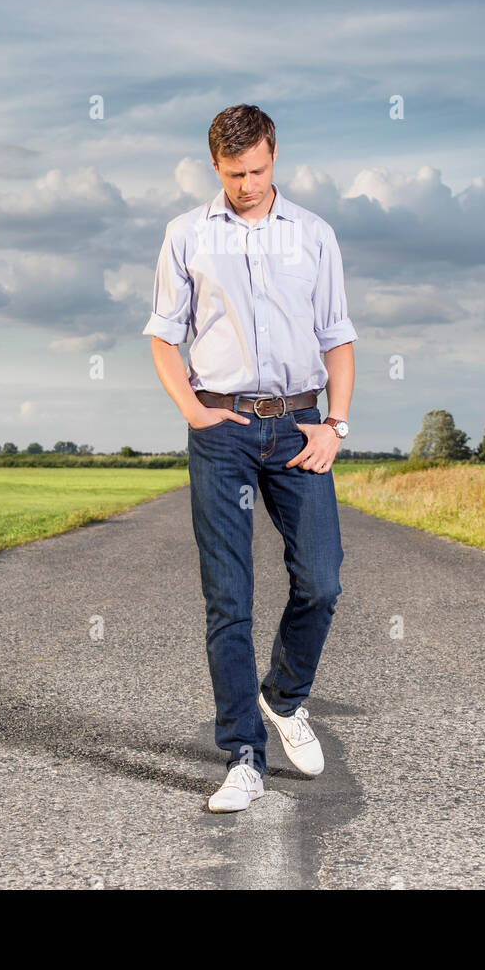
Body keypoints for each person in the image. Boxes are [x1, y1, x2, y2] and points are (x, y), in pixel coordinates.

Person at [143, 104, 357, 812]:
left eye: (259, 169)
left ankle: (283, 697)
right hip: (224, 428)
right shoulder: (185, 236)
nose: (249, 184)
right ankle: (242, 757)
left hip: (300, 426)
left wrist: (335, 424)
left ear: (274, 156)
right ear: (215, 166)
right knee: (229, 597)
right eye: (235, 174)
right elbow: (163, 335)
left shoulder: (315, 236)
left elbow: (338, 337)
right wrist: (195, 412)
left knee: (321, 581)